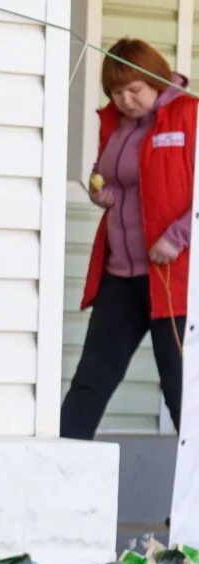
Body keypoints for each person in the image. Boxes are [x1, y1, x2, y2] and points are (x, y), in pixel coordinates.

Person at [63, 38, 196, 439]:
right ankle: (55, 479)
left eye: (134, 89)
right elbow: (124, 184)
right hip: (121, 275)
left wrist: (176, 236)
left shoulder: (188, 115)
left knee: (180, 390)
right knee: (90, 381)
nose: (125, 100)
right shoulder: (114, 125)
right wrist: (102, 193)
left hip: (173, 279)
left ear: (157, 80)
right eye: (116, 92)